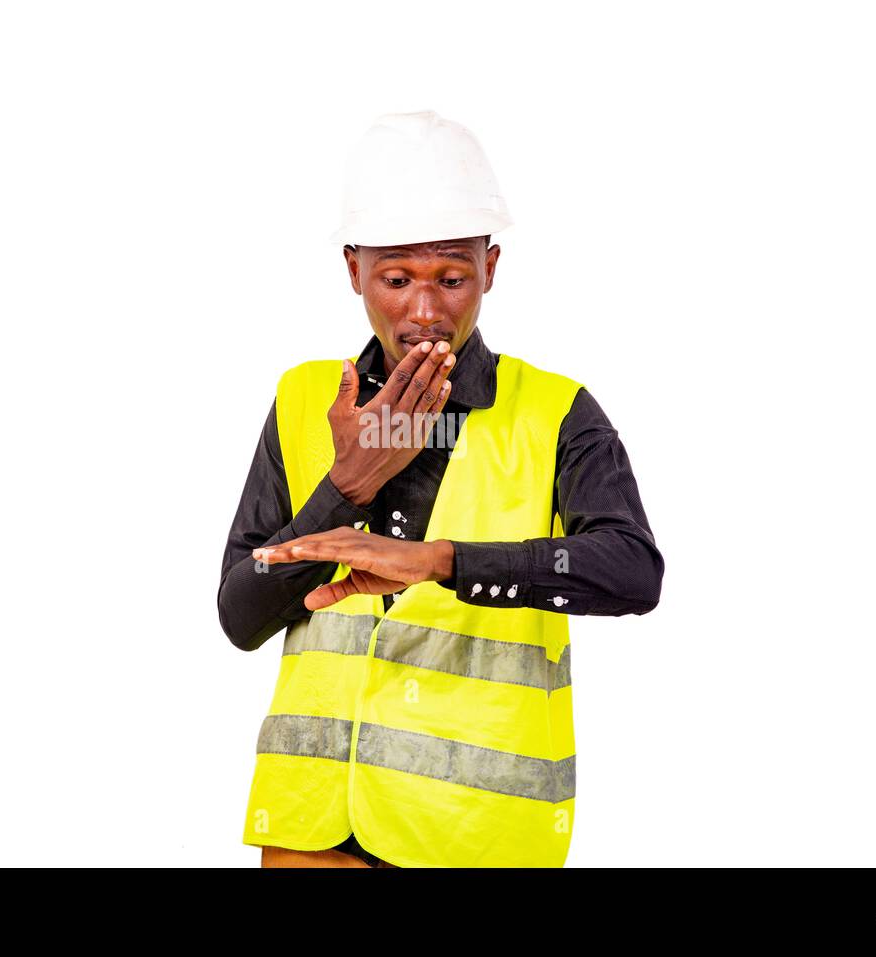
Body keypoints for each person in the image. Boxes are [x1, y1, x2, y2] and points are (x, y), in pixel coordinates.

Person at [218, 111, 664, 868]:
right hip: (314, 825)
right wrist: (346, 485)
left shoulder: (555, 412)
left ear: (491, 267)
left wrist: (442, 561)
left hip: (474, 834)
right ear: (353, 268)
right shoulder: (302, 400)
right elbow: (240, 613)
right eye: (396, 280)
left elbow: (631, 570)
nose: (425, 312)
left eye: (451, 278)